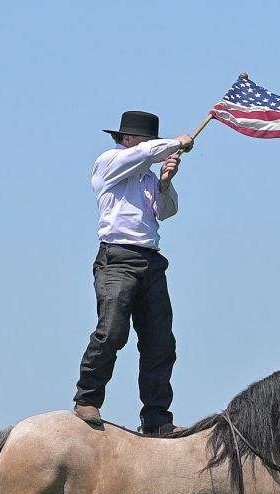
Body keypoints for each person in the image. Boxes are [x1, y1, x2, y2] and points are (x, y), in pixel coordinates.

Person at [72, 110, 195, 435]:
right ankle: (87, 398)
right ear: (127, 139)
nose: (151, 147)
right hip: (117, 257)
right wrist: (176, 143)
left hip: (150, 260)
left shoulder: (149, 178)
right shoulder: (109, 162)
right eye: (148, 141)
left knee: (160, 343)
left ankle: (156, 419)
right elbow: (145, 154)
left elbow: (166, 212)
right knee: (111, 331)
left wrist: (166, 183)